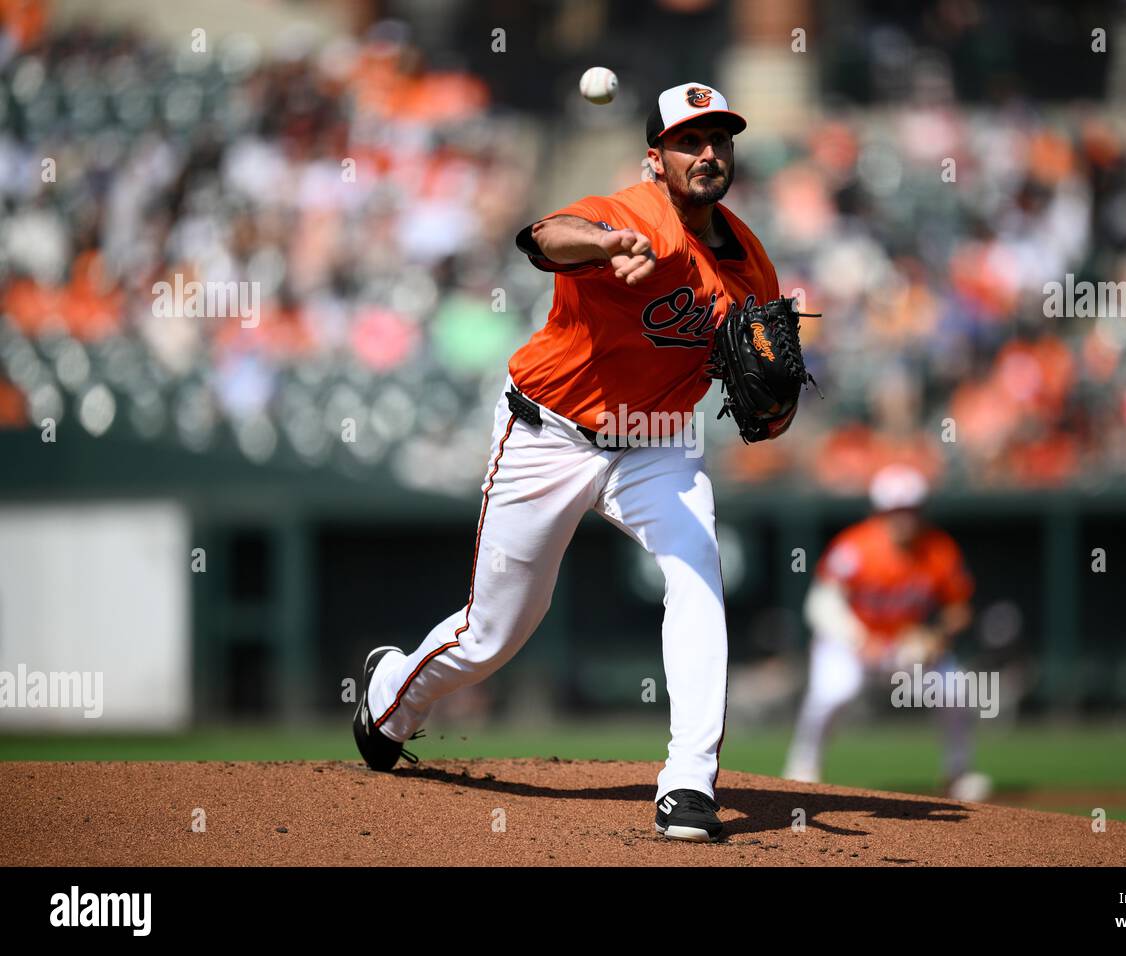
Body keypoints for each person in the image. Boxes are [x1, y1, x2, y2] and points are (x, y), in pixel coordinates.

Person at [351, 82, 783, 843]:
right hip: (549, 432)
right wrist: (605, 246)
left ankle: (687, 784)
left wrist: (775, 403)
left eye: (719, 138)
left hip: (656, 444)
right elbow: (544, 236)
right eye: (689, 140)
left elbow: (769, 400)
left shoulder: (752, 264)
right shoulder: (630, 214)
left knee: (697, 577)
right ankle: (391, 694)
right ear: (656, 160)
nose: (708, 152)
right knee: (497, 631)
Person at [783, 464, 988, 800]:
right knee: (834, 692)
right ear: (879, 511)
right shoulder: (856, 546)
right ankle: (802, 770)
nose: (903, 518)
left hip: (905, 644)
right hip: (850, 642)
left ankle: (958, 772)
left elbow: (960, 609)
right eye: (895, 510)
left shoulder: (938, 548)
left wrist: (936, 635)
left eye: (911, 509)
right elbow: (820, 603)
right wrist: (859, 639)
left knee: (956, 688)